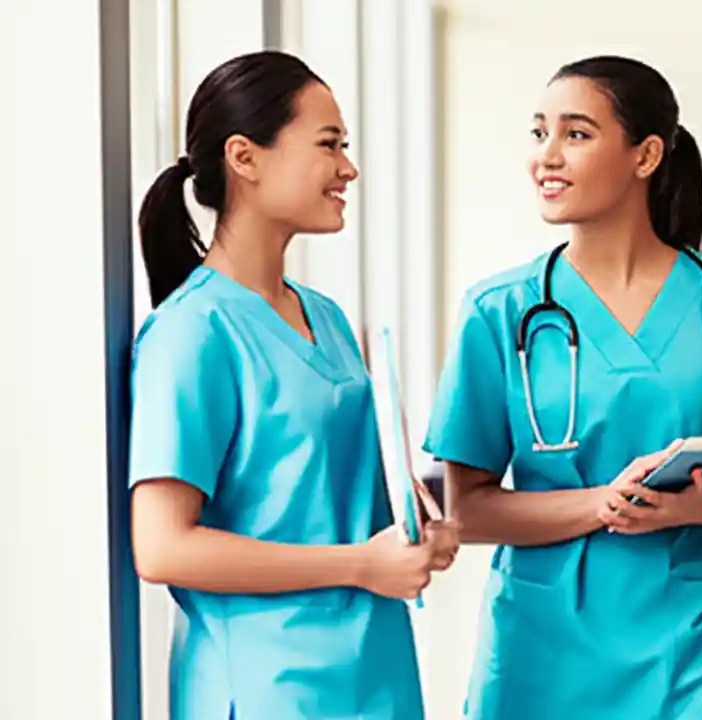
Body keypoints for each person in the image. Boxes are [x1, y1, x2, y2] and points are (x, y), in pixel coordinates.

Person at [424, 55, 702, 720]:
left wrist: (698, 509)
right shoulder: (498, 311)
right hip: (543, 653)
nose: (546, 157)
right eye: (538, 132)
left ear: (646, 155)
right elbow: (470, 510)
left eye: (575, 134)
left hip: (697, 646)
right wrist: (604, 504)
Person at [129, 50, 458, 720]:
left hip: (375, 675)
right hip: (266, 688)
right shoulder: (192, 333)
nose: (349, 168)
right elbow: (162, 547)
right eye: (329, 145)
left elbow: (331, 497)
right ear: (245, 157)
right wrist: (359, 566)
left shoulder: (327, 318)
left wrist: (418, 525)